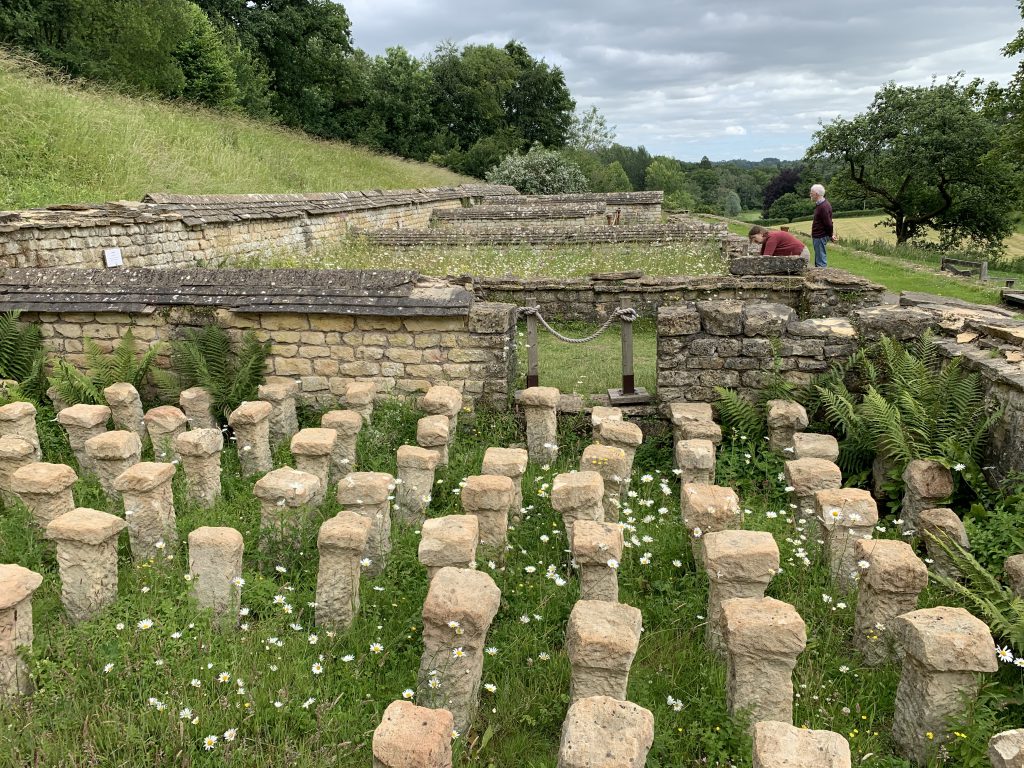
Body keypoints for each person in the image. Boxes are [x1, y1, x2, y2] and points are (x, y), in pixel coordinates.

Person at [809, 183, 836, 267]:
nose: (810, 194)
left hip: (820, 236)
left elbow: (828, 224)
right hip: (818, 236)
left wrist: (830, 235)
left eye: (811, 193)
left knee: (821, 262)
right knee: (819, 259)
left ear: (816, 194)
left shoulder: (823, 206)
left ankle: (822, 275)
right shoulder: (821, 205)